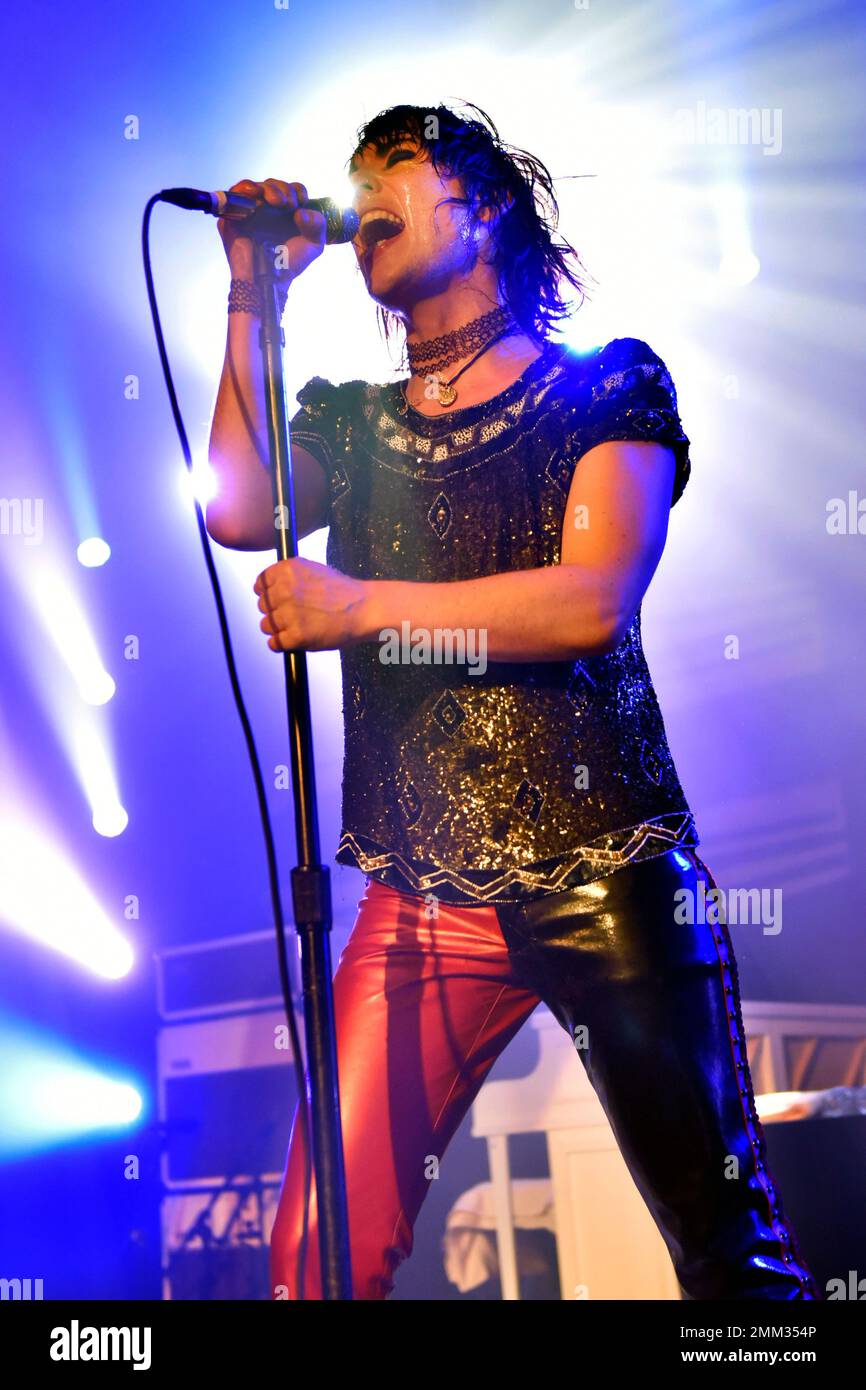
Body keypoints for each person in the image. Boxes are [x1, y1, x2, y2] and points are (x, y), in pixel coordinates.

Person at [206, 102, 818, 1301]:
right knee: (313, 1268)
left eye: (394, 167)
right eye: (354, 174)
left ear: (481, 209)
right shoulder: (352, 418)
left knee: (727, 1256)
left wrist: (362, 607)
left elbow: (589, 600)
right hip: (416, 894)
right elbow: (237, 508)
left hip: (607, 871)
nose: (362, 189)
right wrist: (249, 297)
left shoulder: (605, 389)